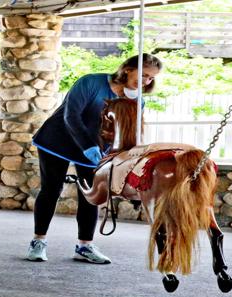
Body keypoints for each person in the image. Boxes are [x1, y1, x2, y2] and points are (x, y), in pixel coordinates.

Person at [27, 53, 162, 264]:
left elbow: (126, 133)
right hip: (57, 141)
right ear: (127, 69)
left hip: (95, 150)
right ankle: (38, 242)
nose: (146, 81)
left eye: (151, 78)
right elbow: (71, 115)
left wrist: (121, 156)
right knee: (51, 189)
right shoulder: (91, 82)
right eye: (143, 75)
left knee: (92, 195)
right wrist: (88, 145)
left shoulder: (137, 101)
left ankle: (84, 246)